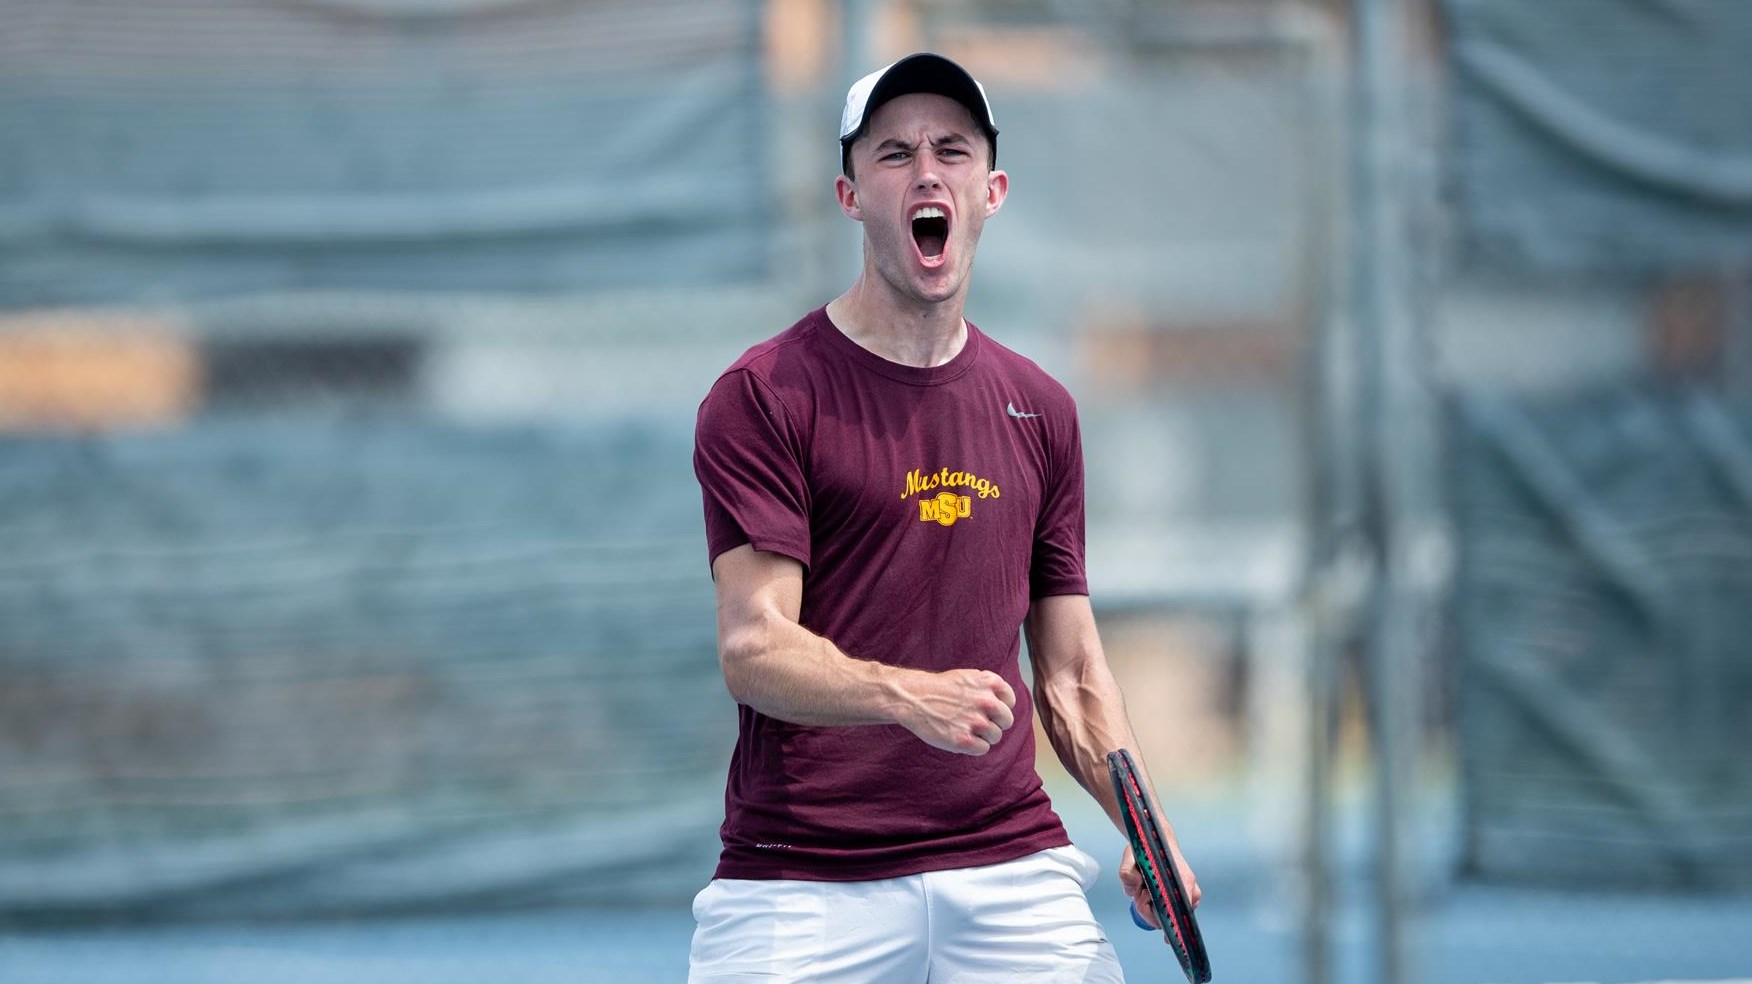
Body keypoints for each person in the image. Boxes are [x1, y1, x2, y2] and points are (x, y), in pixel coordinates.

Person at [689, 51, 1199, 983]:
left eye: (952, 150)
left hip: (1007, 863)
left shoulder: (1040, 407)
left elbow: (1075, 672)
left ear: (990, 191)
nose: (927, 171)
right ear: (850, 196)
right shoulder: (764, 395)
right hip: (803, 879)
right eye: (894, 153)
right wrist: (904, 694)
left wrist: (1144, 820)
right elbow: (754, 648)